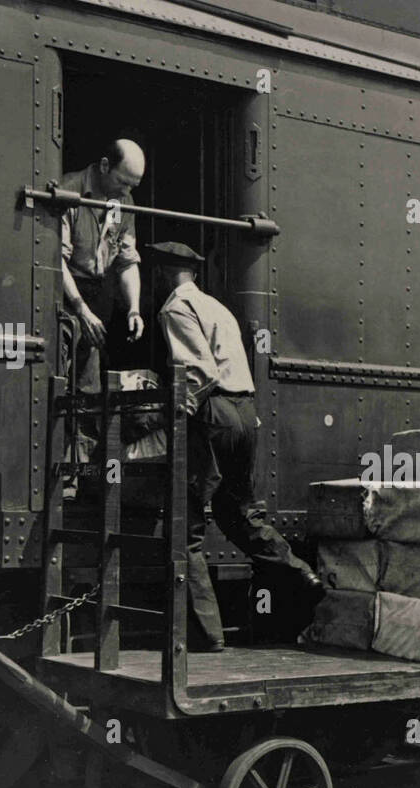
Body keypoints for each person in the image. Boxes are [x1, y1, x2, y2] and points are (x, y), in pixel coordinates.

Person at [146, 241, 323, 651]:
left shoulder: (174, 308)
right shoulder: (217, 307)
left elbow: (199, 371)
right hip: (245, 412)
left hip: (214, 413)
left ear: (161, 274)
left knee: (184, 527)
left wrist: (168, 412)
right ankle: (299, 572)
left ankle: (205, 636)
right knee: (238, 513)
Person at [59, 139, 147, 493]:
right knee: (61, 377)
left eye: (132, 187)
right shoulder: (68, 190)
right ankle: (61, 474)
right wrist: (80, 309)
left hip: (100, 291)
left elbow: (127, 260)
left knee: (90, 385)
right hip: (66, 292)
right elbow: (55, 261)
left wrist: (135, 308)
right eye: (123, 182)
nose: (126, 191)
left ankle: (80, 476)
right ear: (105, 164)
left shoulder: (125, 203)